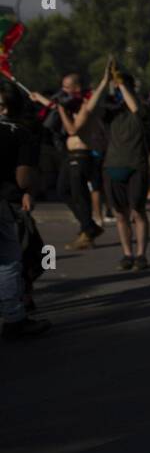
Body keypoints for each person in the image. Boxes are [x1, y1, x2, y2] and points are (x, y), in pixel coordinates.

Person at [30, 71, 107, 249]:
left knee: (79, 194)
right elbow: (55, 106)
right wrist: (39, 98)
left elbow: (72, 128)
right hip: (71, 154)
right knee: (63, 190)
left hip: (81, 155)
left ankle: (88, 230)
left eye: (66, 87)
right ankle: (88, 227)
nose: (62, 91)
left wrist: (63, 111)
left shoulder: (84, 104)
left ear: (77, 88)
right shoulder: (71, 103)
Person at [0, 79, 50, 340]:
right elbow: (24, 179)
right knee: (8, 260)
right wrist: (32, 187)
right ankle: (14, 320)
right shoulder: (18, 133)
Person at [100, 69, 150, 270]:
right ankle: (127, 253)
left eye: (120, 87)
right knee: (120, 214)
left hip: (136, 165)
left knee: (138, 212)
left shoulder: (141, 107)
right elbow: (91, 107)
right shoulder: (110, 110)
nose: (117, 91)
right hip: (112, 165)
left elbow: (136, 109)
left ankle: (141, 254)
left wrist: (121, 83)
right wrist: (105, 82)